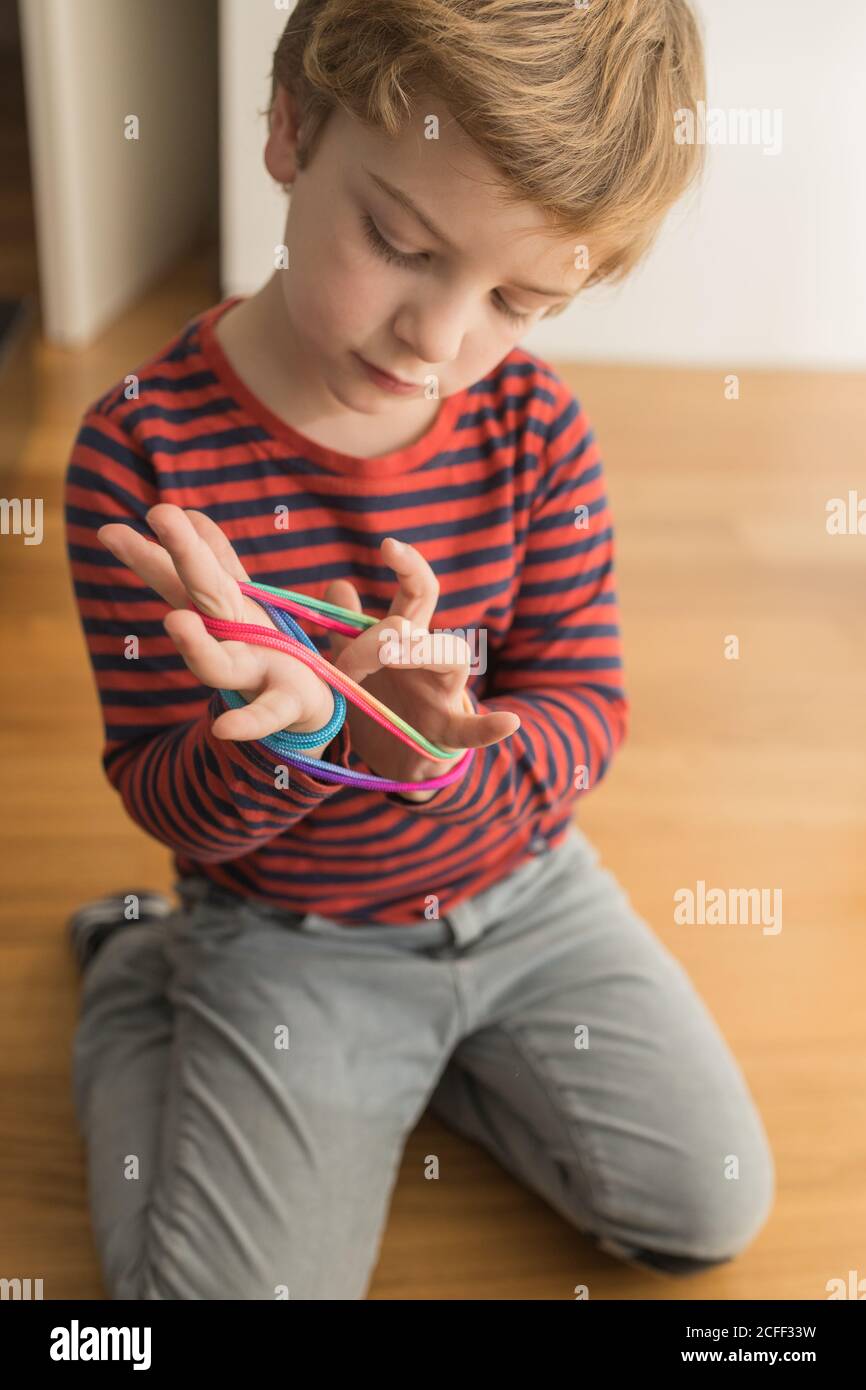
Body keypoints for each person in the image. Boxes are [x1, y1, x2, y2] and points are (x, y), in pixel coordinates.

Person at [63, 0, 774, 1299]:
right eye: (398, 242)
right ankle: (130, 972)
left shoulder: (535, 431)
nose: (439, 340)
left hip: (527, 899)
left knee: (704, 1209)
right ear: (288, 130)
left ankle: (417, 1066)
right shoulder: (141, 455)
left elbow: (585, 702)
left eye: (519, 296)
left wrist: (447, 754)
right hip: (289, 935)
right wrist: (299, 733)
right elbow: (170, 800)